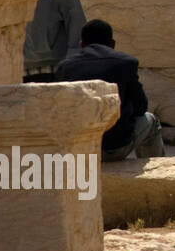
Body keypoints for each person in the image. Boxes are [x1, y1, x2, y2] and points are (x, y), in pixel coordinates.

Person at [56, 19, 166, 162]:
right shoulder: (126, 63)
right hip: (113, 148)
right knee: (151, 121)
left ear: (82, 45)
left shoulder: (65, 67)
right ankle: (155, 176)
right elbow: (141, 107)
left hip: (79, 150)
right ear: (112, 44)